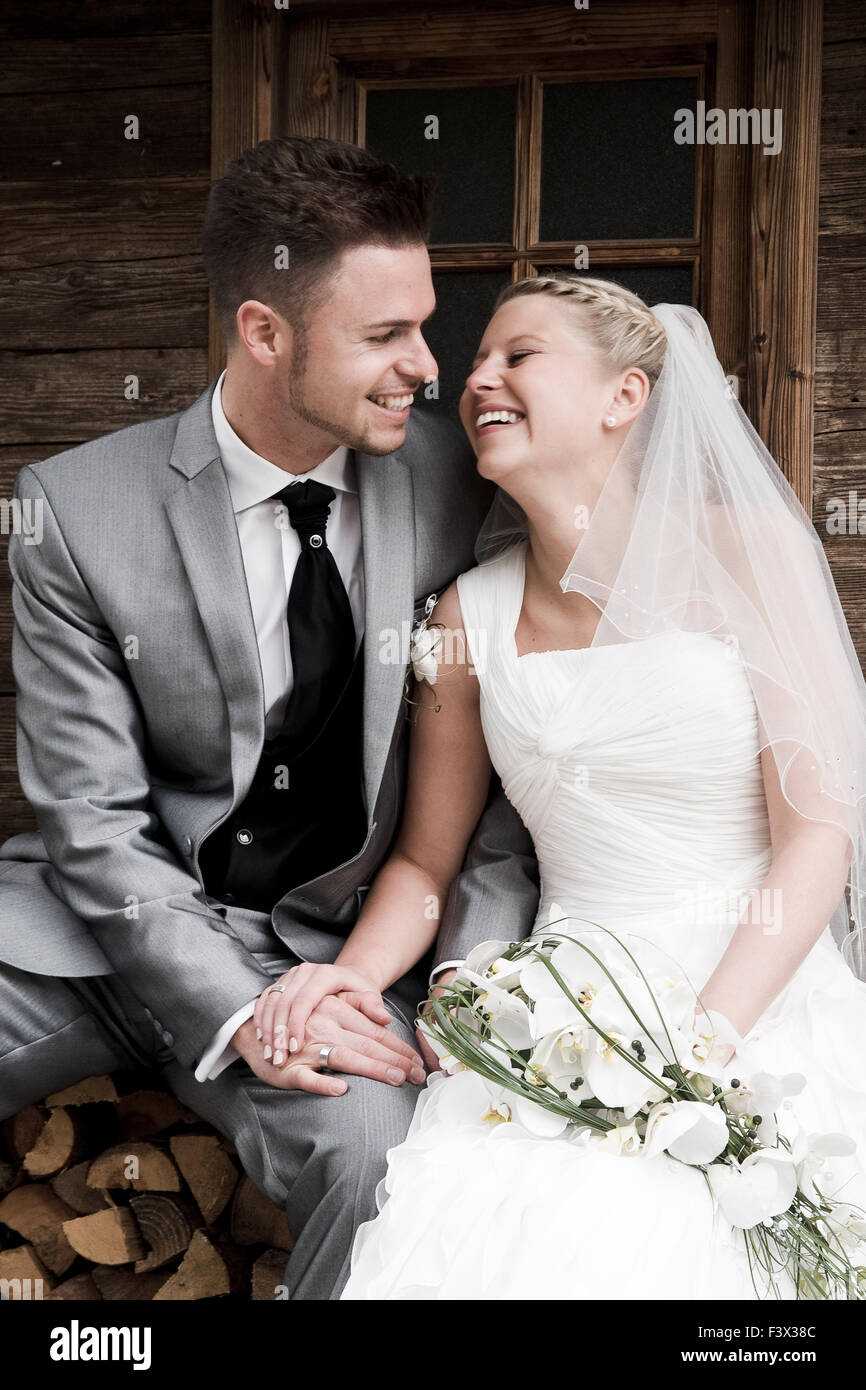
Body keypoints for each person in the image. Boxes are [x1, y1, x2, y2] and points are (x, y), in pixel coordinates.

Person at [0, 137, 541, 1300]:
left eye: (425, 325)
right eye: (384, 336)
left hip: (342, 958)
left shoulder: (467, 488)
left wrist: (447, 981)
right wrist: (238, 1006)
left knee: (384, 1164)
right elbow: (88, 817)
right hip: (94, 937)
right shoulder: (75, 509)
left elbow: (505, 801)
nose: (425, 367)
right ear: (265, 331)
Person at [256, 274, 866, 1300]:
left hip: (755, 982)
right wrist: (349, 981)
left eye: (517, 356)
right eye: (477, 359)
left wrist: (692, 1051)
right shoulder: (460, 617)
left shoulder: (749, 555)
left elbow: (817, 836)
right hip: (555, 1009)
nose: (476, 378)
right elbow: (421, 862)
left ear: (623, 397)